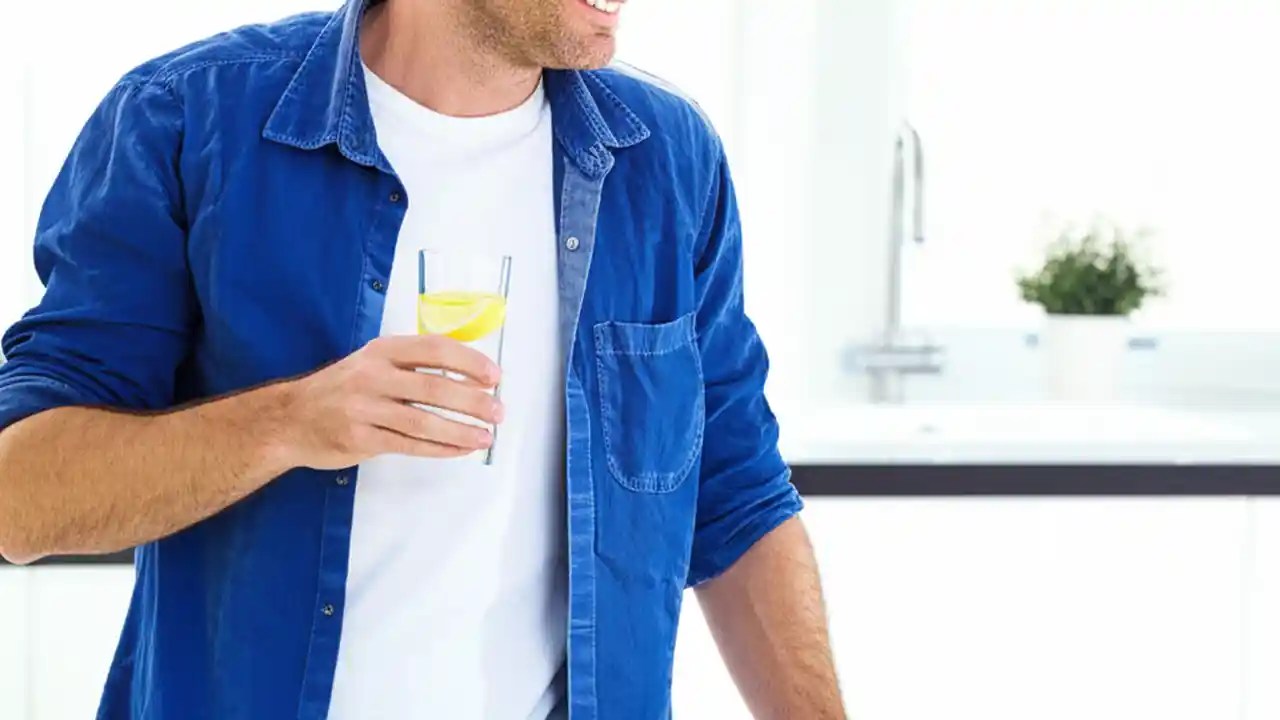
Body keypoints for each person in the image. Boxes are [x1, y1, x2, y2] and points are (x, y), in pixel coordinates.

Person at [0, 0, 844, 717]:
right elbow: (20, 500)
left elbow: (737, 500)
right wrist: (288, 423)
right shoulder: (187, 120)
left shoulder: (667, 161)